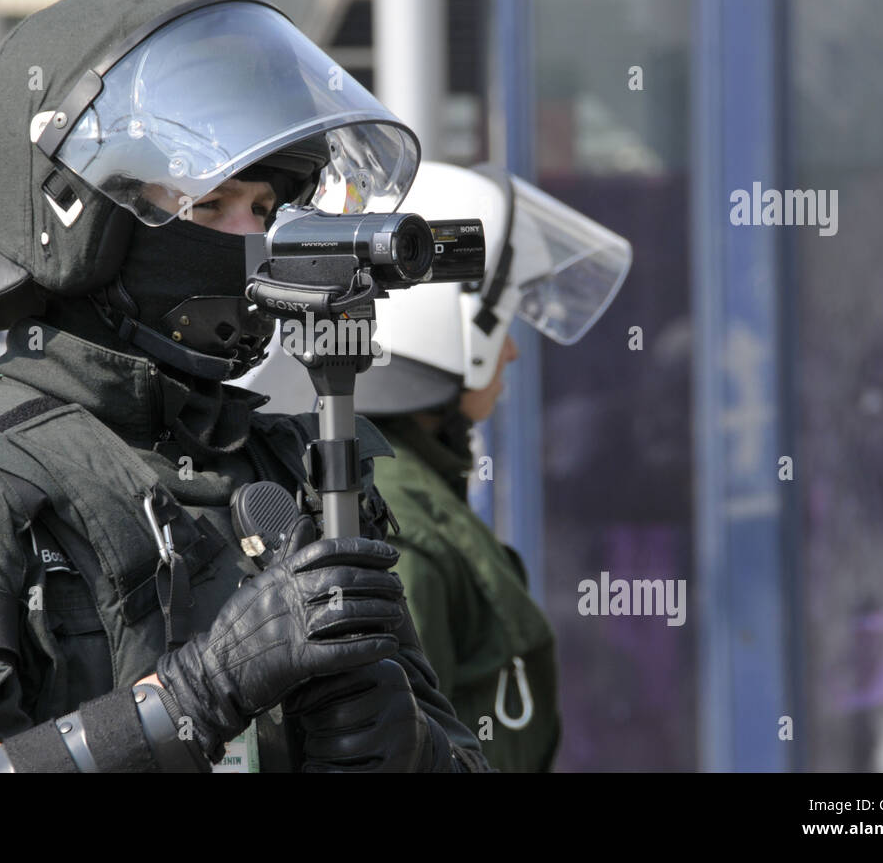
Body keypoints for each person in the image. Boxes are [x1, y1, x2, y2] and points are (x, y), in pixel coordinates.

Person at [0, 0, 490, 773]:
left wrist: (412, 750)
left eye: (265, 205)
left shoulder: (293, 466)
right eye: (212, 207)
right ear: (85, 227)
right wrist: (189, 700)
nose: (254, 237)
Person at [235, 161, 632, 771]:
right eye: (507, 323)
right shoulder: (391, 518)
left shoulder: (409, 489)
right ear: (456, 328)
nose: (515, 350)